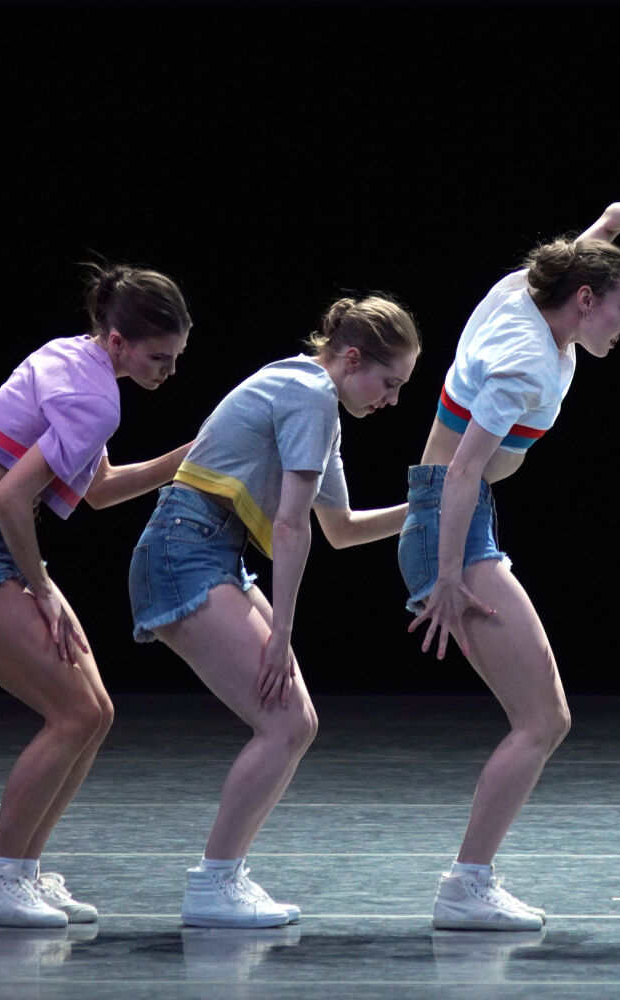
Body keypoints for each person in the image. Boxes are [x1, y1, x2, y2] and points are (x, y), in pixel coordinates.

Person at [403, 199, 620, 931]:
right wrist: (448, 576)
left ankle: (471, 882)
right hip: (450, 524)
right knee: (543, 718)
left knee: (544, 717)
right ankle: (465, 887)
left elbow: (608, 219)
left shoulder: (527, 290)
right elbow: (459, 474)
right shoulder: (523, 360)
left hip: (458, 519)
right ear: (584, 301)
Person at [130, 295, 421, 928]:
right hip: (186, 547)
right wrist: (283, 631)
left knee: (298, 723)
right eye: (390, 382)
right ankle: (212, 885)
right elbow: (290, 528)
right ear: (351, 357)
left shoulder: (314, 397)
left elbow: (339, 529)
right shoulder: (309, 394)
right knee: (285, 723)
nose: (393, 399)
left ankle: (223, 879)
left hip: (209, 550)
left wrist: (428, 508)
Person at [0, 263, 196, 927]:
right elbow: (11, 497)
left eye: (178, 358)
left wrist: (193, 454)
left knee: (94, 713)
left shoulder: (75, 362)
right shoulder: (95, 395)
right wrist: (40, 588)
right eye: (160, 358)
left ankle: (25, 873)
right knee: (73, 713)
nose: (169, 371)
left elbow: (97, 491)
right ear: (119, 341)